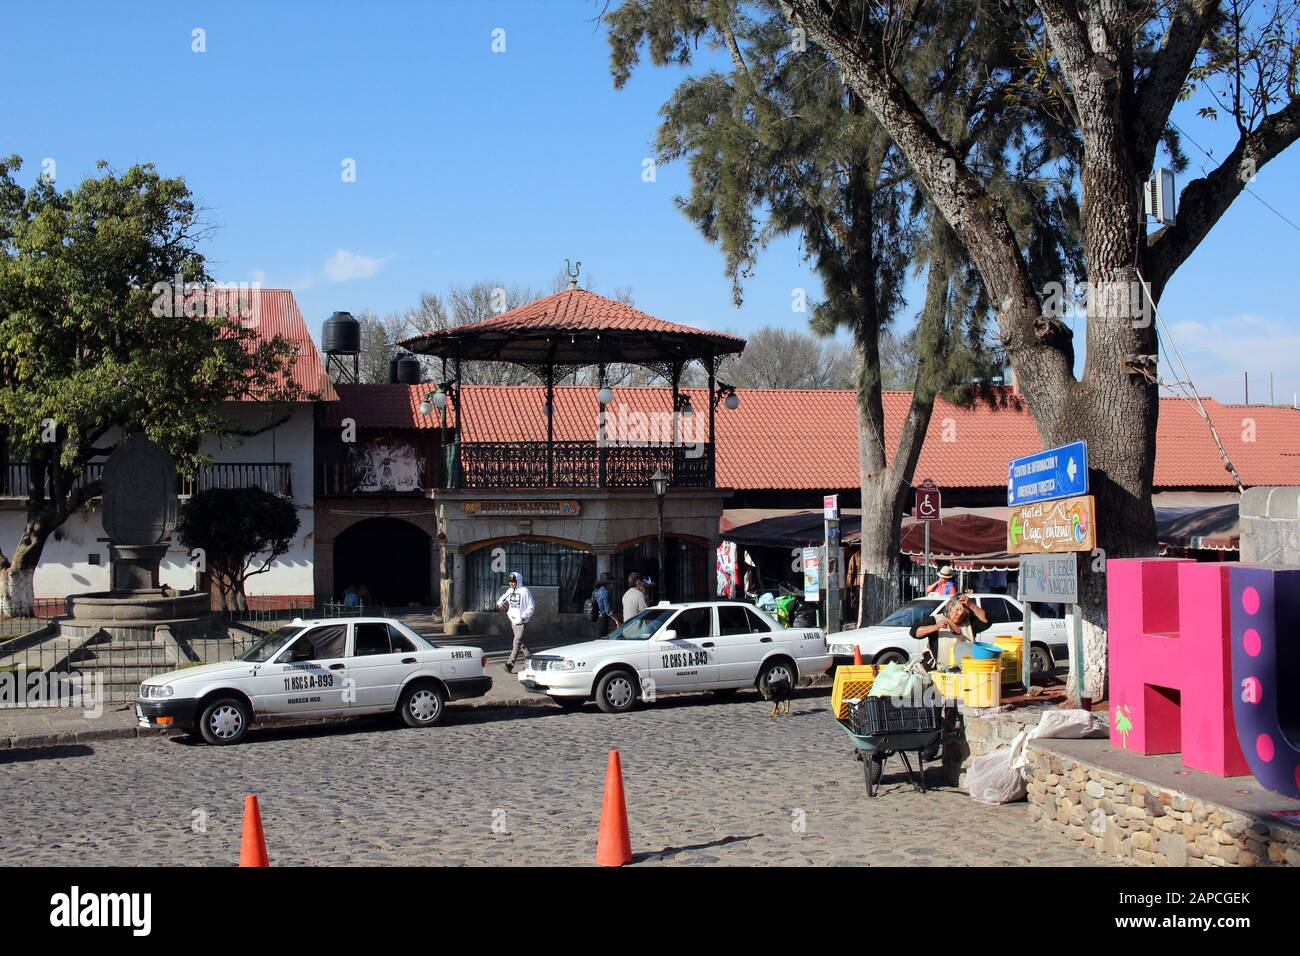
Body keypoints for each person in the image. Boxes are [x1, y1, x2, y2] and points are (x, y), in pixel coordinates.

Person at [910, 593, 990, 669]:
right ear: (950, 608)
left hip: (965, 671)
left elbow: (986, 622)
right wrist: (936, 626)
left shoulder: (970, 624)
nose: (960, 614)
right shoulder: (936, 620)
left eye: (964, 612)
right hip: (940, 672)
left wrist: (971, 605)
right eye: (957, 609)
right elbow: (914, 632)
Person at [497, 571, 535, 673]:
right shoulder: (510, 591)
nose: (511, 583)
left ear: (518, 581)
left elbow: (531, 606)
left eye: (513, 581)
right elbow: (501, 599)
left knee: (516, 642)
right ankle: (531, 660)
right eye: (510, 581)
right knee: (522, 643)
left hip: (521, 622)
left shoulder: (525, 591)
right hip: (513, 621)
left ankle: (510, 664)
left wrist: (523, 617)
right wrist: (500, 603)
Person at [591, 573, 621, 638]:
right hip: (602, 619)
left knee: (598, 638)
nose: (613, 585)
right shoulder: (605, 592)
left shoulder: (596, 591)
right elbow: (608, 610)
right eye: (612, 583)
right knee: (602, 638)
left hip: (596, 617)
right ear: (608, 584)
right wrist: (616, 621)